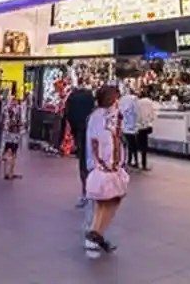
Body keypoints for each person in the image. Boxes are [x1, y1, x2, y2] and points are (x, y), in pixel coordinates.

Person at [84, 85, 129, 259]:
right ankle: (96, 233)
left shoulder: (99, 116)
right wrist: (111, 163)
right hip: (107, 168)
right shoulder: (103, 118)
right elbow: (104, 143)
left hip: (103, 167)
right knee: (111, 200)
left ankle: (96, 232)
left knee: (105, 202)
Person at [63, 78, 96, 207]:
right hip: (93, 133)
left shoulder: (72, 98)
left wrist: (73, 131)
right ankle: (94, 192)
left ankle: (85, 192)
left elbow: (68, 114)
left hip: (80, 133)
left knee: (83, 164)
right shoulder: (89, 98)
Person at [1, 93, 25, 180]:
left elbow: (3, 120)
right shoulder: (18, 109)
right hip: (13, 133)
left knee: (8, 152)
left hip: (9, 133)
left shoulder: (6, 108)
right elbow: (22, 121)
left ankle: (7, 173)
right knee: (12, 153)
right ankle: (10, 173)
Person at [117, 86, 139, 169]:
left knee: (124, 145)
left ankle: (125, 161)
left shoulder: (121, 100)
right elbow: (136, 112)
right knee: (133, 145)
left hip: (123, 127)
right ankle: (135, 161)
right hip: (131, 127)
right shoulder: (134, 99)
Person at [135, 90, 156, 171]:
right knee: (144, 145)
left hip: (139, 126)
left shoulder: (137, 103)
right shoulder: (150, 102)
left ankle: (138, 162)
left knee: (139, 145)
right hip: (147, 125)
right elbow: (152, 114)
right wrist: (150, 121)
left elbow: (136, 114)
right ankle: (144, 164)